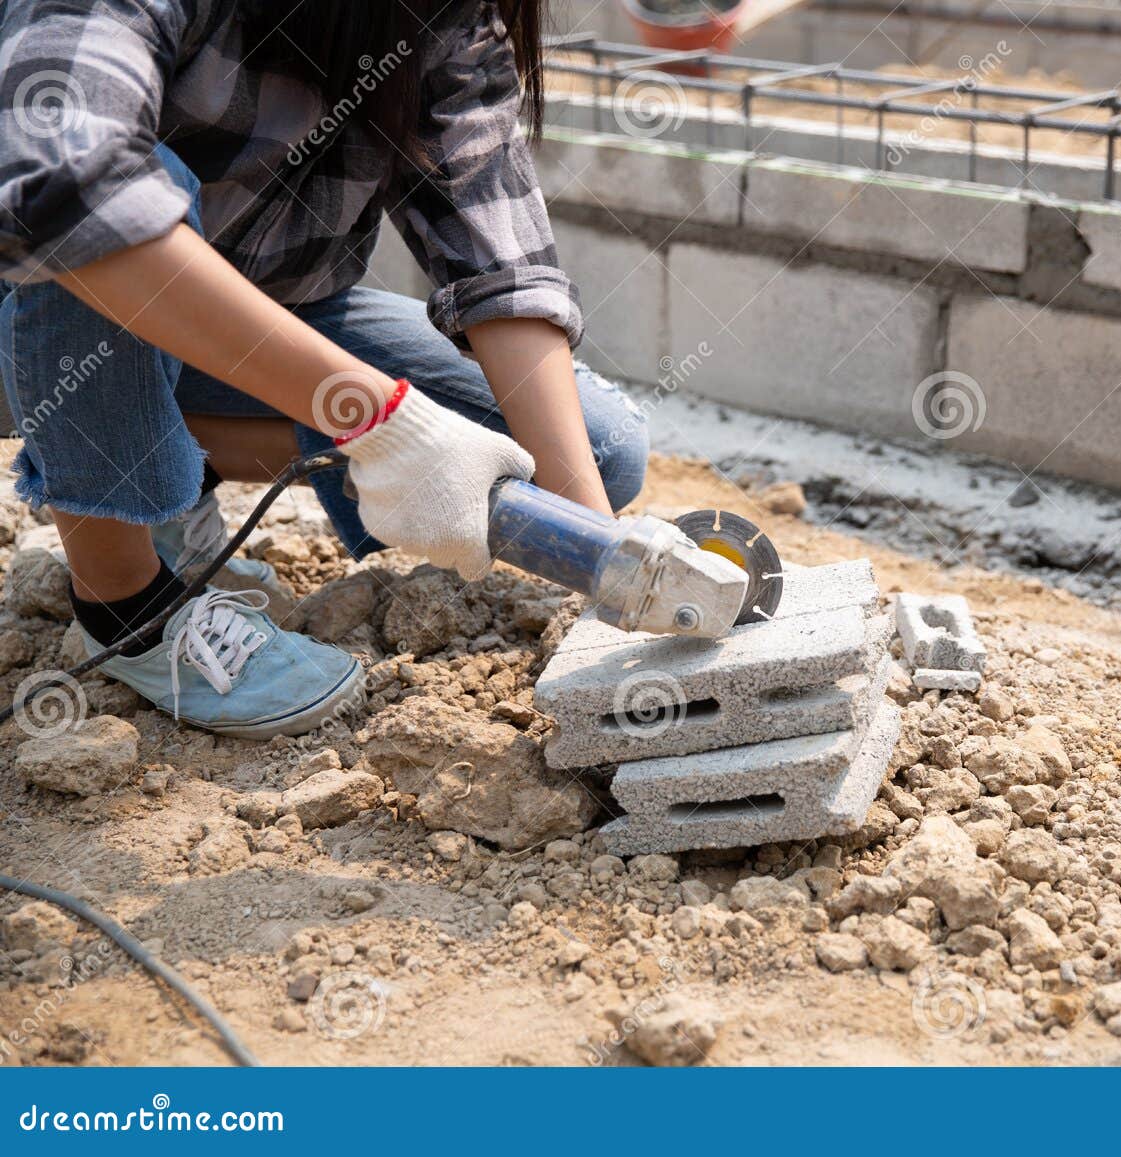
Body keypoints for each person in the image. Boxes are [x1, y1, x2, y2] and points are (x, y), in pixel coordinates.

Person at [0, 0, 648, 738]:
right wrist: (380, 420)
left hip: (222, 333)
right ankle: (124, 604)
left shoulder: (440, 15)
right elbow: (61, 190)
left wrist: (603, 557)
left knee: (591, 453)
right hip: (30, 310)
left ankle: (163, 468)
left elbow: (501, 263)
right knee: (129, 192)